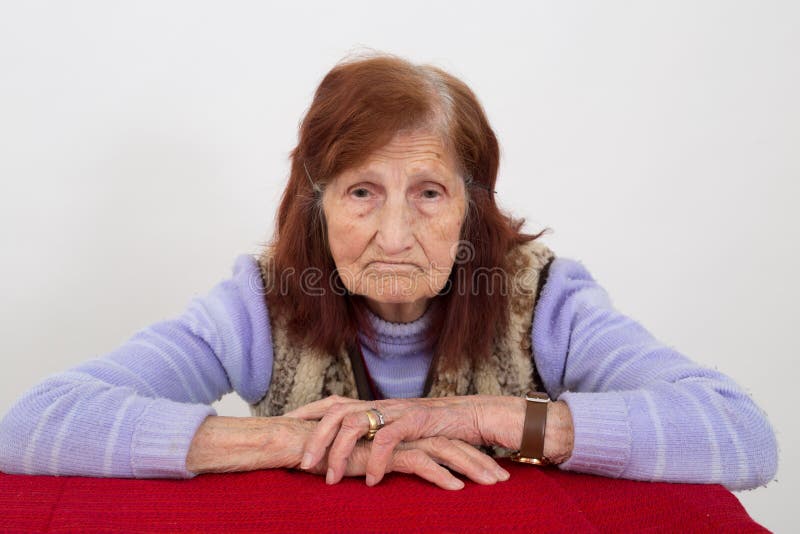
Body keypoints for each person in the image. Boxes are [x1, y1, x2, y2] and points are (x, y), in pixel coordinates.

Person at [0, 52, 778, 492]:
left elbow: (738, 434)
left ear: (473, 207)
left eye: (429, 193)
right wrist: (296, 440)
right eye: (362, 192)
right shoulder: (260, 301)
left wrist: (480, 418)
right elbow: (35, 424)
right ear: (316, 205)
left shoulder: (542, 297)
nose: (396, 237)